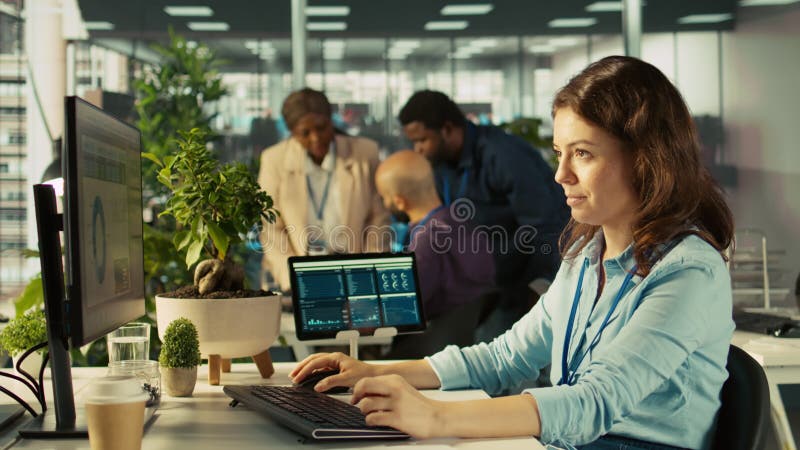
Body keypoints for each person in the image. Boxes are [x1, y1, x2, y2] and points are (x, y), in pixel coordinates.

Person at [291, 56, 735, 449]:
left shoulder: (688, 269)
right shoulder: (586, 256)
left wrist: (435, 415)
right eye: (560, 152)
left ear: (646, 159)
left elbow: (595, 402)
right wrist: (375, 372)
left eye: (582, 154)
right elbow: (504, 358)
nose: (561, 174)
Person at [398, 89, 571, 340]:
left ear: (447, 129)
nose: (419, 149)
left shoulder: (503, 155)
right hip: (480, 286)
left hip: (522, 282)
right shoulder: (442, 164)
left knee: (502, 366)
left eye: (422, 140)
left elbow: (545, 225)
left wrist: (539, 287)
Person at [258, 88, 389, 292]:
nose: (316, 138)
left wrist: (368, 275)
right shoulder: (274, 160)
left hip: (354, 273)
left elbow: (377, 219)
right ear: (292, 133)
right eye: (305, 133)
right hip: (297, 275)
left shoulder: (365, 153)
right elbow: (271, 229)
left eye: (322, 127)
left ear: (332, 121)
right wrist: (293, 280)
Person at [374, 149, 495, 320]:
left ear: (400, 202)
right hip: (470, 332)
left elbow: (402, 309)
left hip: (433, 341)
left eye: (384, 197)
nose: (384, 203)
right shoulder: (463, 222)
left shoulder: (425, 243)